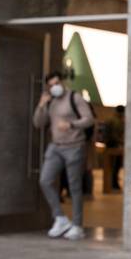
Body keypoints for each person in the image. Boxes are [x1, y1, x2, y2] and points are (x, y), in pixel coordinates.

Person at [33, 71, 94, 241]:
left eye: (57, 83)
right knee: (45, 180)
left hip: (74, 146)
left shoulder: (75, 98)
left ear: (63, 82)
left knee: (74, 187)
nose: (55, 87)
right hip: (55, 147)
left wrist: (71, 124)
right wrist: (41, 105)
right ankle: (60, 218)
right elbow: (38, 123)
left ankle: (77, 226)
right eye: (51, 85)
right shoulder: (50, 102)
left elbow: (89, 119)